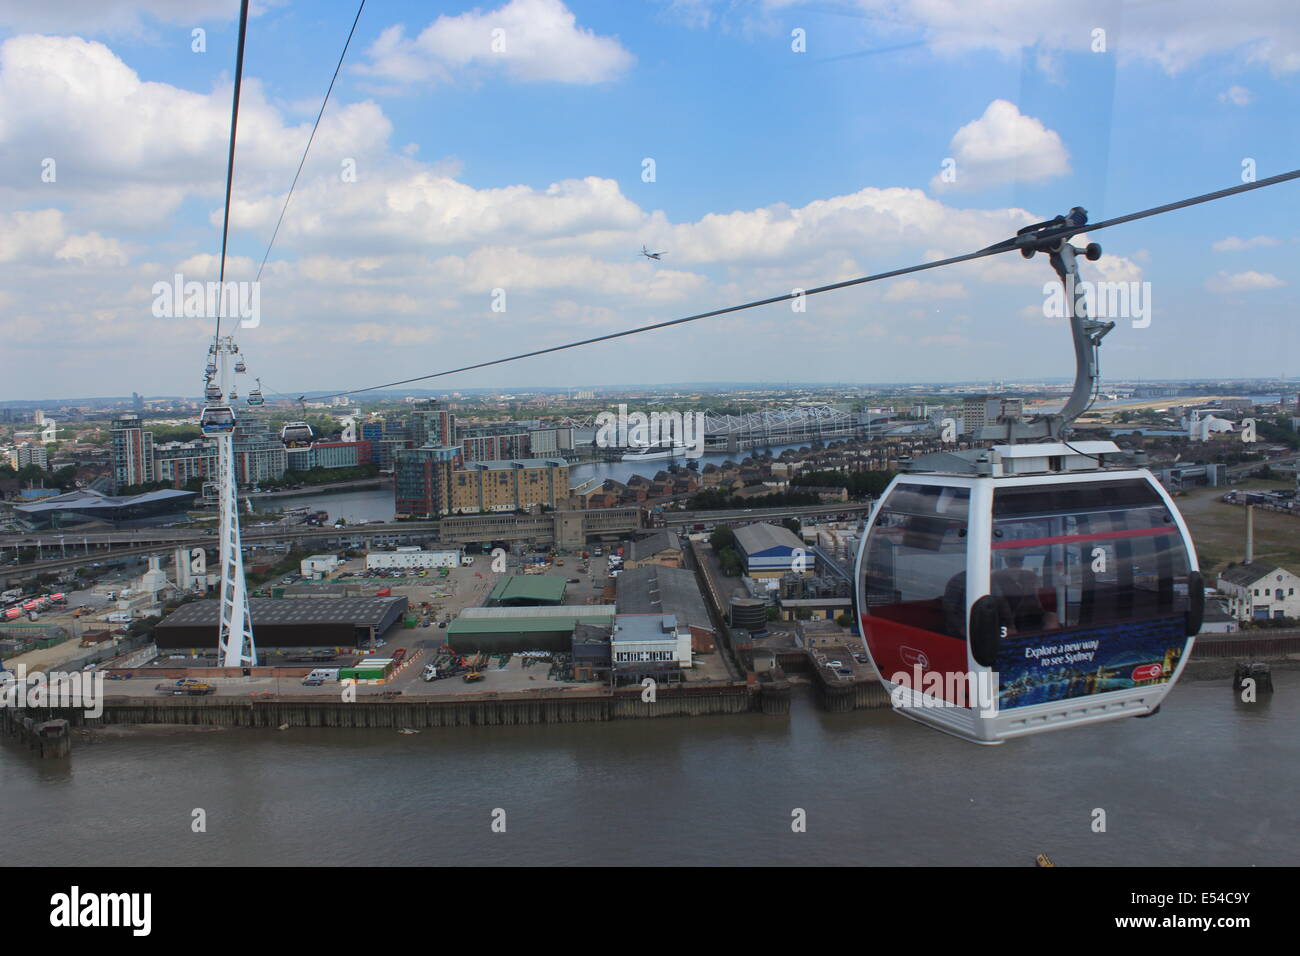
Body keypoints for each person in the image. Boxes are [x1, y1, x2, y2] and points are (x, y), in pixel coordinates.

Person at [992, 554, 1059, 635]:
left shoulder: (1031, 575)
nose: (1016, 562)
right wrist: (1010, 625)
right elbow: (1001, 602)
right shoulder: (996, 576)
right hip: (1010, 618)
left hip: (1033, 614)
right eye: (1013, 559)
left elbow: (1038, 598)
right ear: (1007, 561)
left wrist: (1047, 616)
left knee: (1052, 617)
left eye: (1020, 559)